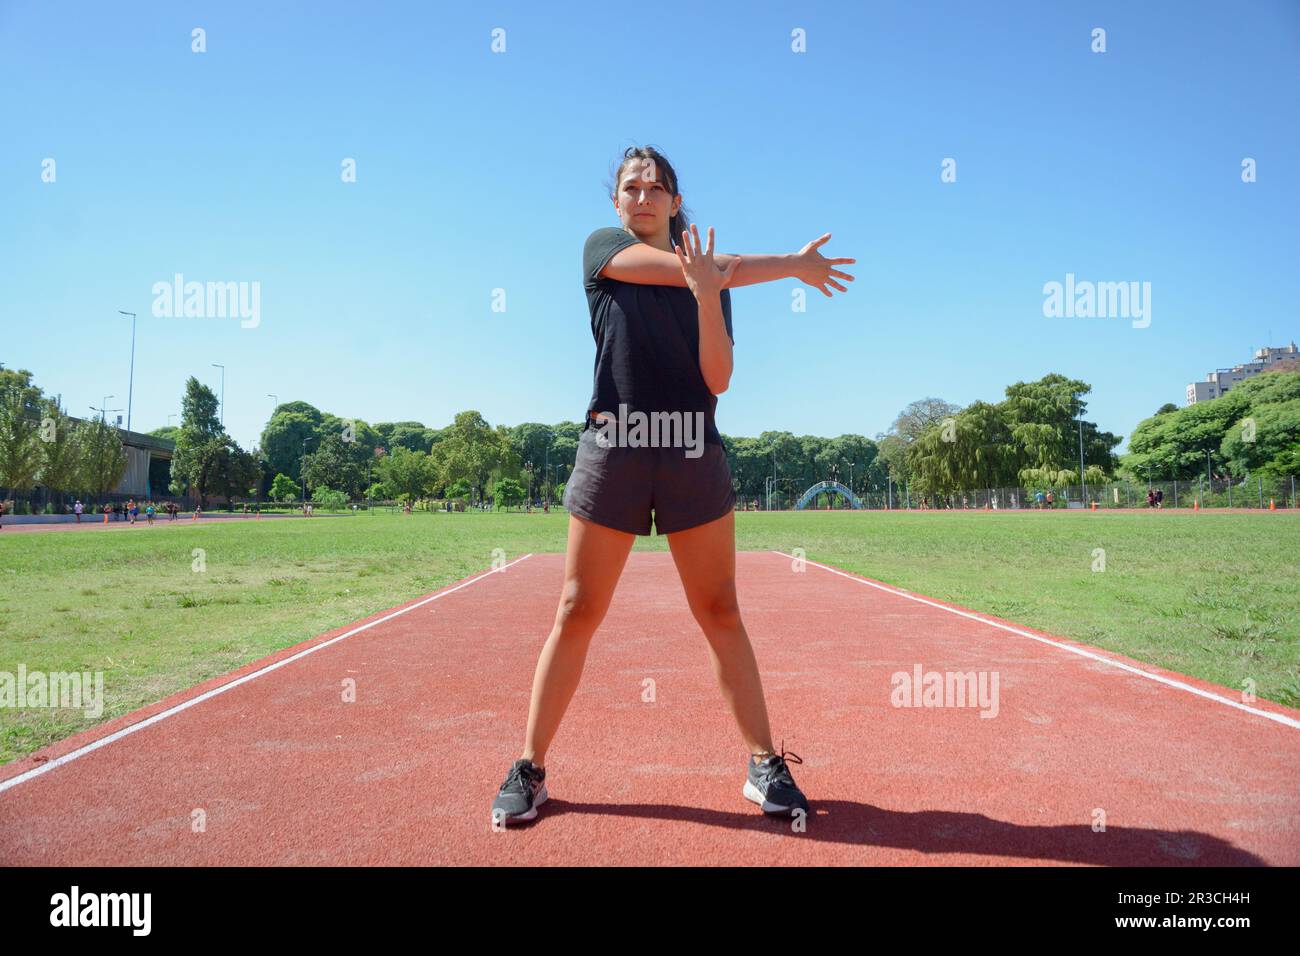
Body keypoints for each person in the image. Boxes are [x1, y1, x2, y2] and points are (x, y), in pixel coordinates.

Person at [491, 145, 855, 826]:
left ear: (676, 201)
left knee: (720, 609)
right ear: (617, 202)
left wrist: (712, 294)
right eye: (631, 187)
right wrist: (790, 268)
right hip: (615, 445)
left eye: (657, 187)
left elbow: (718, 378)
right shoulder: (604, 250)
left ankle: (762, 763)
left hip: (691, 447)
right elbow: (685, 268)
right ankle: (531, 767)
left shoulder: (708, 279)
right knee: (577, 608)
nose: (643, 196)